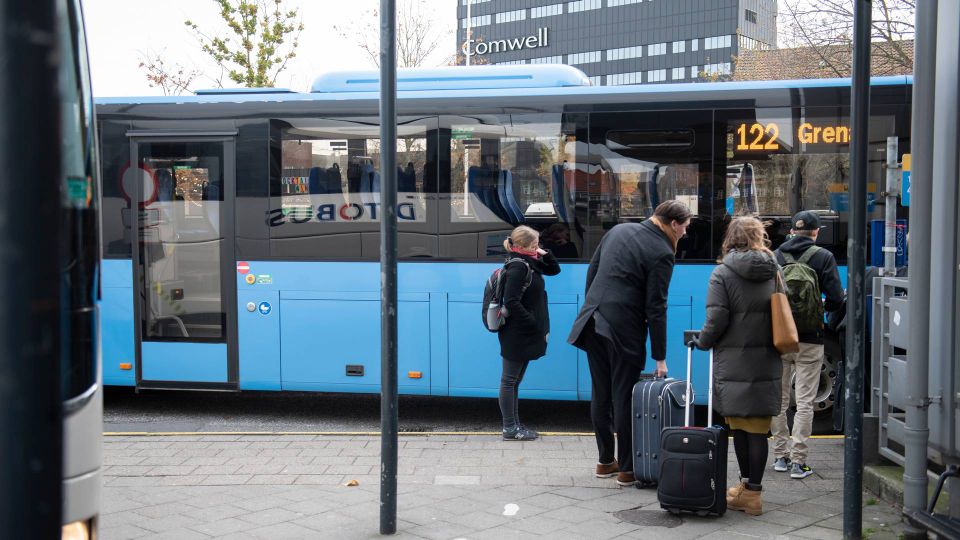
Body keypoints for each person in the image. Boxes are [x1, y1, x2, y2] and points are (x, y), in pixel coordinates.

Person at [568, 200, 692, 486]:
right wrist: (659, 357)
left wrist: (593, 307)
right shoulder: (662, 251)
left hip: (592, 320)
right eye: (685, 227)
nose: (685, 233)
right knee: (623, 397)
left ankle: (604, 462)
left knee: (601, 394)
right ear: (673, 224)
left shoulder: (619, 230)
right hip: (623, 329)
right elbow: (656, 307)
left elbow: (593, 271)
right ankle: (626, 470)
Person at [690, 216, 783, 516]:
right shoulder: (774, 269)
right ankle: (749, 490)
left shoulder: (722, 273)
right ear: (759, 237)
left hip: (734, 361)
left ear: (731, 237)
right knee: (756, 428)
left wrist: (702, 341)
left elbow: (716, 319)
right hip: (766, 357)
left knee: (740, 429)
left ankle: (750, 492)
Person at [771, 211, 844, 479]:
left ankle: (780, 456)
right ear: (816, 232)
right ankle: (798, 461)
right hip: (811, 339)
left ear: (792, 231)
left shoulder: (776, 255)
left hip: (780, 338)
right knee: (804, 402)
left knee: (779, 400)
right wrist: (822, 309)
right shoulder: (823, 257)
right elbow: (837, 298)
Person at [497, 225, 561, 441]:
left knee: (514, 381)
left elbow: (554, 270)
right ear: (522, 246)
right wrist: (531, 322)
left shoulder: (529, 262)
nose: (538, 248)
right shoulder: (518, 267)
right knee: (509, 380)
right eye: (534, 245)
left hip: (524, 331)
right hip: (517, 333)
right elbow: (511, 301)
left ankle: (514, 425)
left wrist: (545, 253)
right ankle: (509, 428)